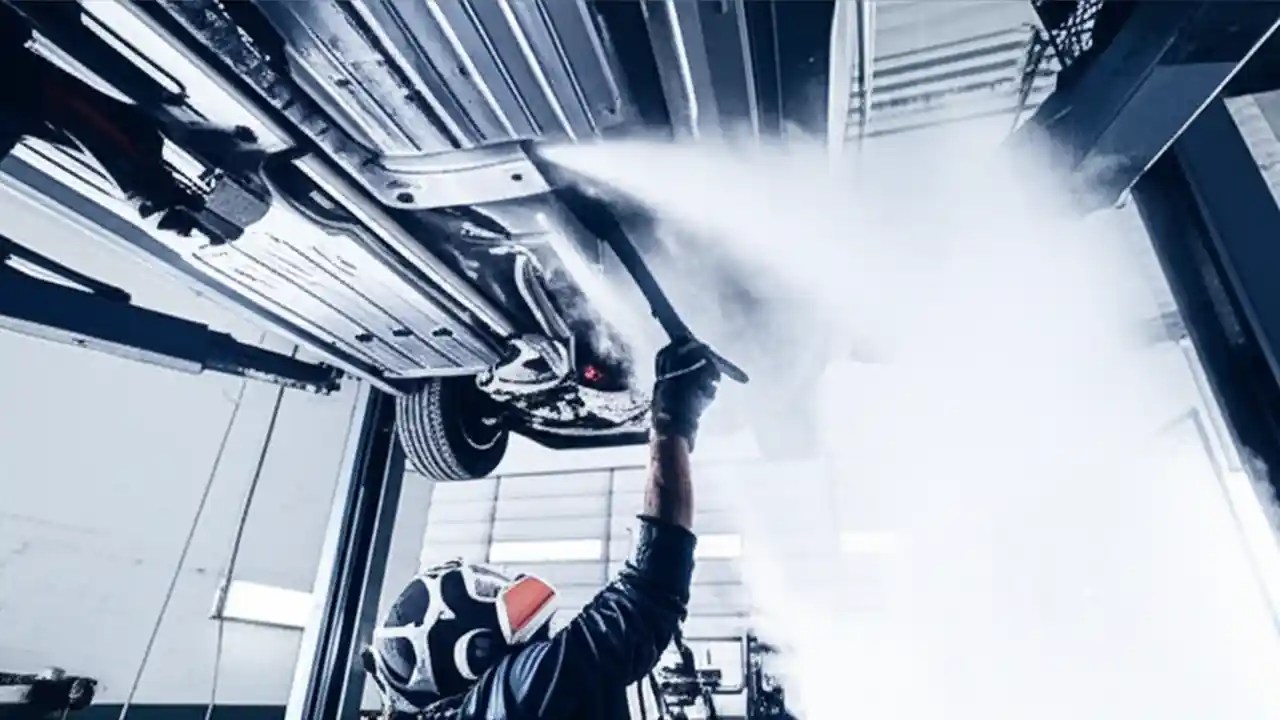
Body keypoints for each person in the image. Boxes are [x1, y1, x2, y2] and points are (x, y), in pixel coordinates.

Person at [364, 338, 723, 719]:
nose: (500, 583)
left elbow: (646, 603)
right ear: (472, 650)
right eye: (485, 589)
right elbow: (645, 599)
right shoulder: (517, 699)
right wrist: (673, 422)